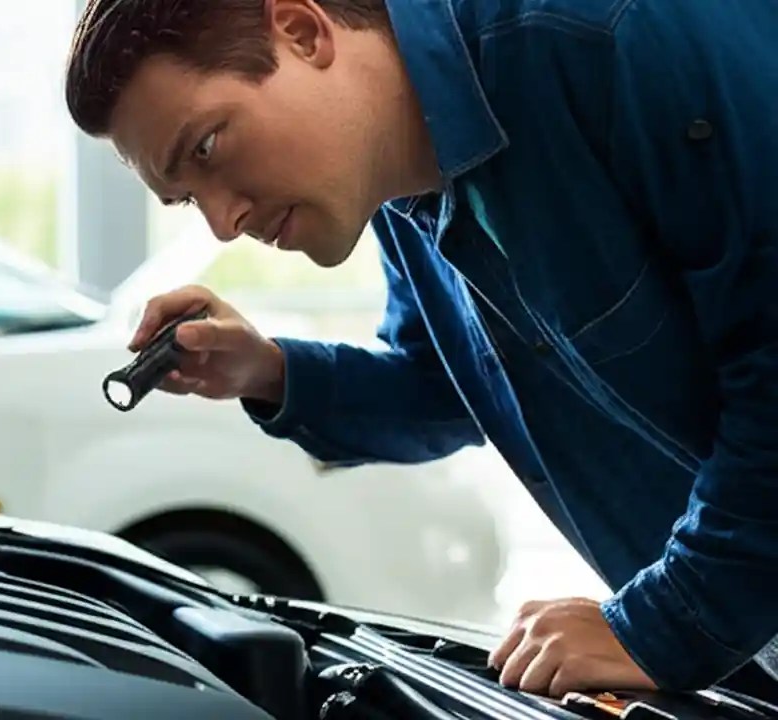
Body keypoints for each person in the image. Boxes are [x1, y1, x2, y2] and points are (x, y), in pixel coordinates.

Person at [64, 0, 778, 702]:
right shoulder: (403, 185)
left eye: (207, 147)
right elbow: (462, 388)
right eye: (188, 198)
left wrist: (659, 626)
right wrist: (270, 373)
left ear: (302, 30)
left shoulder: (611, 29)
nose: (224, 223)